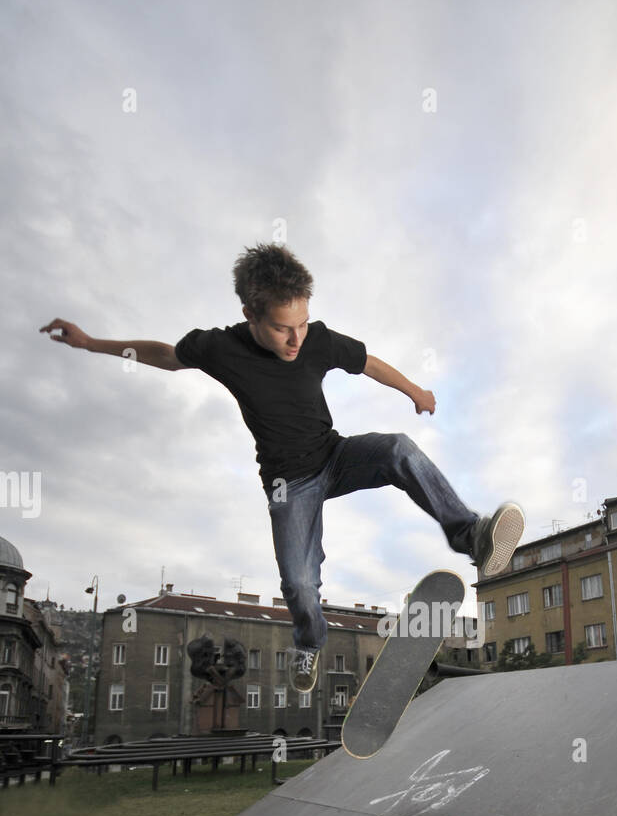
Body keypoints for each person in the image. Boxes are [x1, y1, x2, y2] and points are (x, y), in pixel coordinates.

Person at [40, 243, 525, 691]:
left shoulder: (316, 339)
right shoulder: (219, 348)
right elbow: (165, 356)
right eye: (281, 328)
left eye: (302, 324)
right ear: (250, 314)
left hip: (335, 456)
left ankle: (471, 535)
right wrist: (90, 343)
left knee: (398, 448)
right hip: (287, 485)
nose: (296, 339)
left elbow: (369, 363)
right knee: (298, 580)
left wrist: (415, 391)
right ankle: (309, 646)